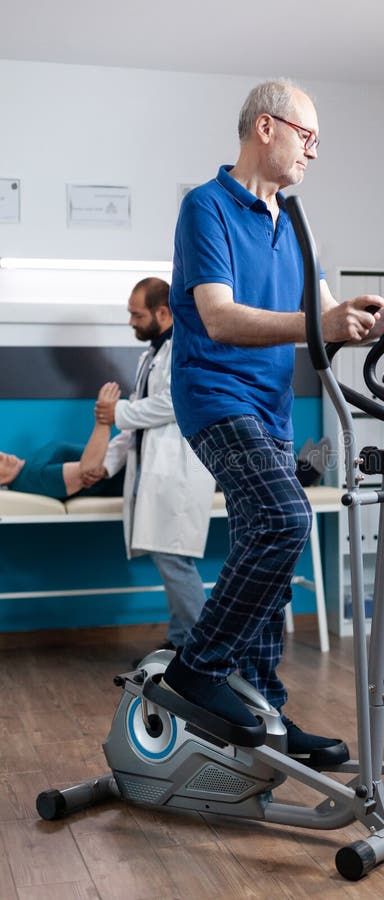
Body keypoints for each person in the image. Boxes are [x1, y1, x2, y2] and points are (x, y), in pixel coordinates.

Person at [152, 78, 384, 762]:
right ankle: (196, 669)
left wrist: (377, 326)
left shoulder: (296, 223)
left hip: (272, 407)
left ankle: (265, 716)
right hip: (216, 395)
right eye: (308, 137)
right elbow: (217, 318)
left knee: (271, 561)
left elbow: (328, 324)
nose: (314, 152)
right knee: (284, 519)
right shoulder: (206, 207)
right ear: (266, 128)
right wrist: (324, 321)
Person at [96, 277, 215, 659]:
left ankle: (199, 651)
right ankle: (182, 641)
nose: (131, 321)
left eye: (136, 313)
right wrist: (106, 464)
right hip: (155, 469)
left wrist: (119, 412)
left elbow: (173, 404)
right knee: (169, 558)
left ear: (162, 312)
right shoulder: (150, 355)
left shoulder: (185, 348)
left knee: (174, 559)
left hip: (179, 472)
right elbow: (135, 424)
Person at [0, 383, 124, 499]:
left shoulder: (28, 465)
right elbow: (89, 471)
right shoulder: (32, 479)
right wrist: (103, 419)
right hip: (132, 474)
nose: (1, 455)